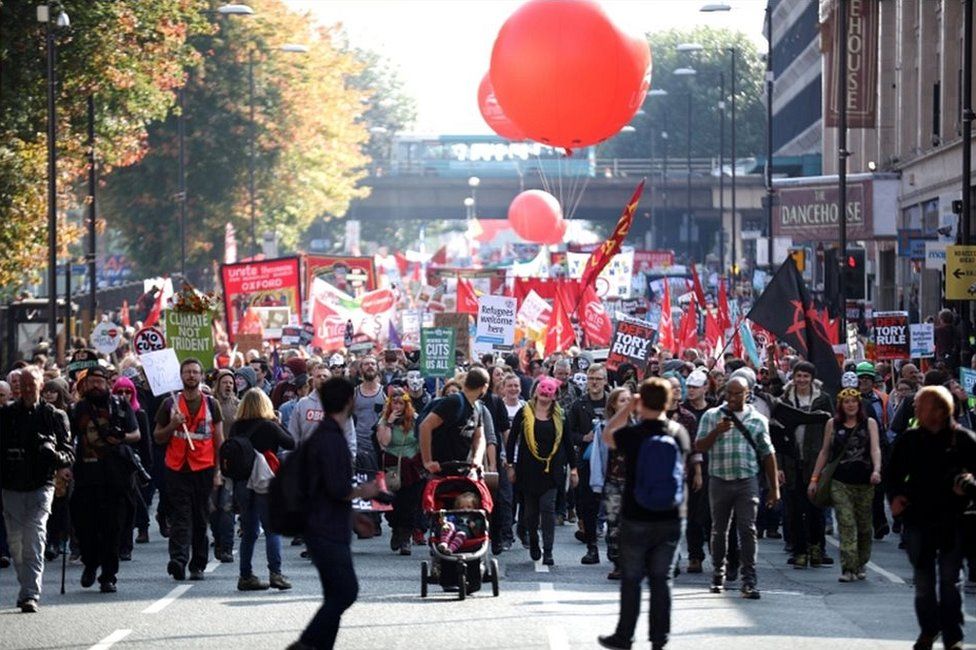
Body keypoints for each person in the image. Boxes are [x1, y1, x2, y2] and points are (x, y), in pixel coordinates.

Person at [597, 377, 691, 650]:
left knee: (632, 578)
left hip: (636, 514)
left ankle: (624, 635)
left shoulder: (634, 434)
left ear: (641, 402)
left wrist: (627, 409)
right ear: (667, 402)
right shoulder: (678, 432)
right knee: (663, 580)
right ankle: (659, 638)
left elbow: (607, 435)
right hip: (672, 515)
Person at [288, 377, 380, 650]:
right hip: (324, 529)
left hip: (326, 524)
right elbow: (337, 488)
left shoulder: (330, 434)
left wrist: (354, 517)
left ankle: (319, 646)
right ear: (349, 401)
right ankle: (305, 644)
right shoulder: (331, 439)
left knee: (335, 594)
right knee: (345, 592)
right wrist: (366, 491)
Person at [887, 385, 976, 650]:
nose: (915, 409)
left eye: (920, 405)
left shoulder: (963, 440)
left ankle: (953, 635)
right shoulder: (909, 439)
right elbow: (893, 474)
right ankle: (929, 628)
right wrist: (895, 497)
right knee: (923, 583)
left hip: (954, 519)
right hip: (918, 518)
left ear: (939, 410)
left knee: (950, 581)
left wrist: (969, 482)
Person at [695, 376, 780, 599]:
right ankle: (718, 573)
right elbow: (699, 446)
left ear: (747, 394)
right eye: (729, 393)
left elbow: (767, 453)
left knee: (747, 529)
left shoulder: (757, 419)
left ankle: (749, 578)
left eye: (737, 393)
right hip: (719, 479)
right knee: (719, 529)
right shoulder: (712, 416)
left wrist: (774, 488)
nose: (732, 398)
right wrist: (716, 432)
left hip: (746, 480)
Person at [0, 367, 73, 612]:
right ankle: (26, 586)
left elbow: (68, 453)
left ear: (41, 385)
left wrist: (55, 456)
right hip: (11, 486)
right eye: (25, 385)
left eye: (33, 385)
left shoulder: (54, 416)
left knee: (34, 538)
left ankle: (31, 593)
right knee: (16, 544)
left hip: (41, 486)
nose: (29, 389)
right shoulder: (6, 415)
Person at [69, 366, 141, 593]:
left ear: (107, 384)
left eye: (100, 382)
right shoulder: (78, 409)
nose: (96, 386)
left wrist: (121, 438)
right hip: (86, 479)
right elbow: (68, 438)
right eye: (91, 382)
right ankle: (90, 563)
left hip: (115, 479)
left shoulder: (120, 406)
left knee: (112, 529)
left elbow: (136, 434)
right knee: (85, 528)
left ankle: (108, 575)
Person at [154, 358, 224, 582]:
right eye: (187, 372)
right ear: (181, 376)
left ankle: (198, 563)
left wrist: (218, 472)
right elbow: (157, 437)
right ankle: (179, 560)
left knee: (200, 517)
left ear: (201, 376)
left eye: (195, 372)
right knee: (180, 516)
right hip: (176, 467)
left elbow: (219, 440)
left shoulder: (212, 405)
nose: (191, 376)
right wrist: (173, 425)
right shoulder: (169, 404)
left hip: (203, 467)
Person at [808, 377, 881, 582]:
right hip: (840, 482)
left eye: (854, 402)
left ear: (859, 404)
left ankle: (861, 563)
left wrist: (877, 470)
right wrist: (815, 478)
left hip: (865, 482)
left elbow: (875, 448)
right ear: (841, 405)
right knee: (846, 523)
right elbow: (824, 452)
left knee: (865, 526)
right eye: (846, 402)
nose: (850, 405)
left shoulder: (870, 423)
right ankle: (848, 567)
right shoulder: (833, 424)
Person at [507, 376, 578, 566]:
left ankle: (548, 550)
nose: (545, 394)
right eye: (542, 389)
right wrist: (510, 466)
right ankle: (533, 541)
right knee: (530, 512)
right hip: (528, 470)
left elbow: (568, 443)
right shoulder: (524, 412)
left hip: (552, 470)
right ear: (536, 390)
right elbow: (512, 439)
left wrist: (574, 469)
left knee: (547, 509)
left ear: (554, 395)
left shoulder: (560, 415)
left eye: (549, 391)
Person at [230, 388, 295, 591]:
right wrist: (279, 423)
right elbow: (291, 443)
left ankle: (245, 575)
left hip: (242, 482)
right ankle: (275, 573)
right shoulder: (270, 426)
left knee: (248, 532)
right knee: (271, 529)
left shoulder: (236, 427)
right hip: (265, 482)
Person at [776, 361, 834, 569]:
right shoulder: (784, 400)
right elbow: (777, 434)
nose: (802, 380)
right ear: (793, 377)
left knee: (815, 508)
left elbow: (831, 428)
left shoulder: (823, 400)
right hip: (791, 462)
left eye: (805, 376)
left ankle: (816, 548)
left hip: (815, 461)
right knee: (794, 510)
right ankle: (799, 551)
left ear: (812, 378)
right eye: (798, 376)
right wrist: (779, 467)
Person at [590, 387, 636, 580]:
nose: (626, 403)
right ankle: (617, 562)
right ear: (613, 404)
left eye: (628, 400)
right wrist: (597, 483)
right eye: (621, 400)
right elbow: (597, 457)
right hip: (613, 483)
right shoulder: (604, 428)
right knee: (614, 524)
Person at [567, 364, 609, 565]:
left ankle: (615, 548)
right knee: (588, 506)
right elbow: (569, 433)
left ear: (605, 381)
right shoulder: (578, 405)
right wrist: (584, 437)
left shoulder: (614, 402)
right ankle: (592, 547)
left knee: (613, 506)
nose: (594, 382)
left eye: (598, 378)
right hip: (587, 462)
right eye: (591, 378)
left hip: (611, 463)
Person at [375, 385, 423, 555]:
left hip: (411, 464)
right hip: (392, 465)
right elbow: (384, 443)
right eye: (394, 403)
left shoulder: (415, 419)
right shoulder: (383, 420)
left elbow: (420, 441)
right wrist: (389, 422)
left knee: (409, 504)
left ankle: (406, 538)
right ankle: (396, 529)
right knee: (393, 504)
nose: (397, 407)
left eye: (400, 403)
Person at [112, 375, 154, 560]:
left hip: (133, 466)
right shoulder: (110, 413)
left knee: (131, 503)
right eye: (119, 392)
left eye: (127, 392)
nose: (124, 395)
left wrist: (146, 465)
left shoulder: (140, 413)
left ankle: (129, 542)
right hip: (113, 466)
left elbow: (145, 441)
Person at [419, 368, 489, 474]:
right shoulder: (454, 401)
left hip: (464, 472)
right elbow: (425, 426)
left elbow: (480, 436)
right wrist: (428, 462)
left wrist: (477, 460)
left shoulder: (478, 406)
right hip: (440, 472)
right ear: (484, 387)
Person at [211, 369, 239, 562]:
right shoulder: (210, 404)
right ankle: (218, 540)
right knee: (212, 507)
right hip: (210, 461)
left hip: (231, 463)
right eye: (225, 382)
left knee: (226, 506)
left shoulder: (239, 405)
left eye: (231, 382)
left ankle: (227, 547)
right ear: (218, 384)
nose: (228, 385)